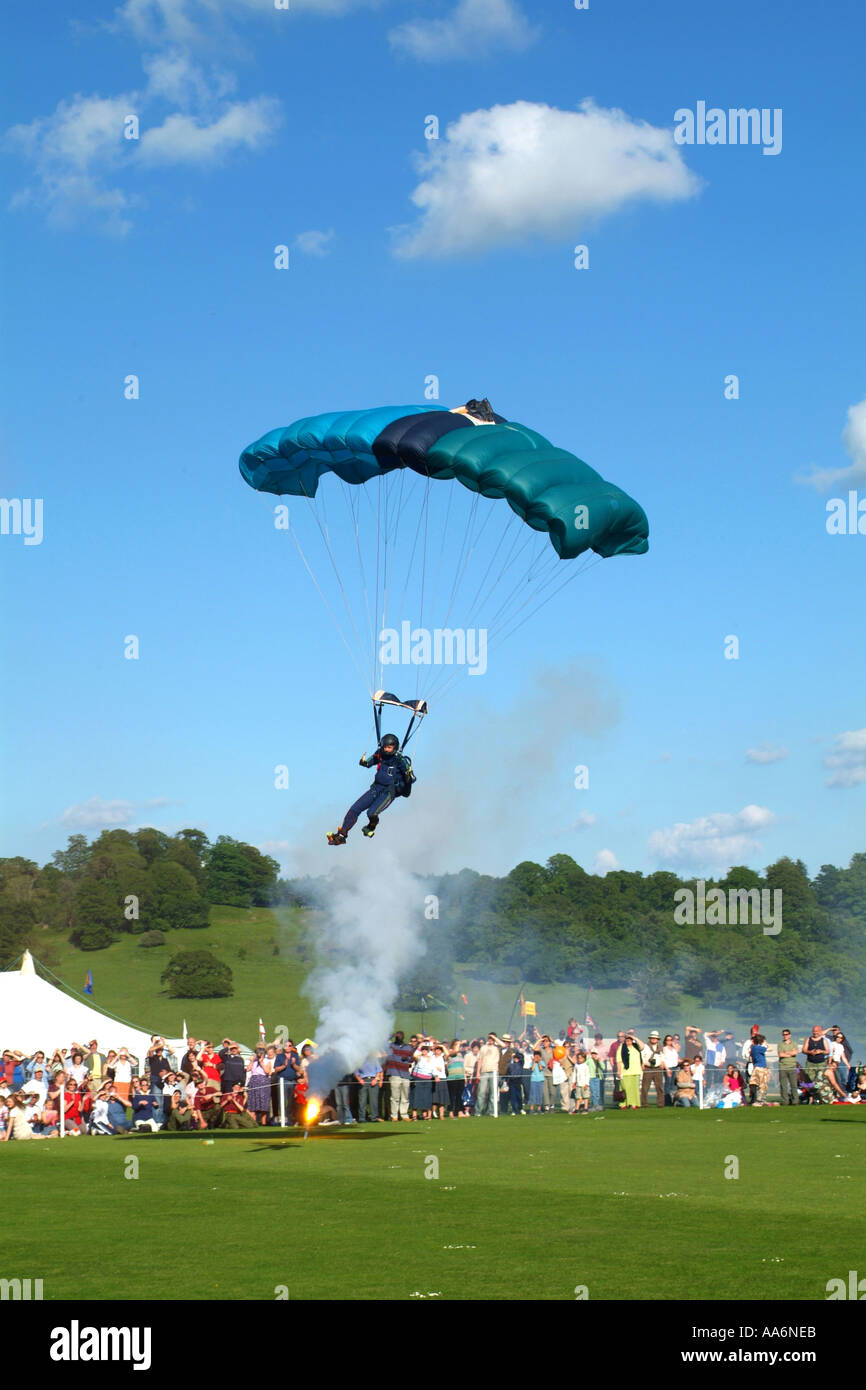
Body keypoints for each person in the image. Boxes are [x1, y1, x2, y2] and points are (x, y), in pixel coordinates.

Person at [327, 734, 413, 843]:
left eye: (389, 747)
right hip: (375, 788)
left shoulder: (399, 760)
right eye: (385, 747)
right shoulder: (380, 754)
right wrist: (364, 762)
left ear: (394, 747)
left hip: (388, 793)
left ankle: (371, 826)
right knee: (355, 809)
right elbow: (370, 761)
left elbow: (411, 778)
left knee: (371, 813)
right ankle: (342, 835)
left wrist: (408, 775)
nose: (386, 749)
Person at [386, 1031, 414, 1121]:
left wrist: (407, 1058)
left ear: (404, 1037)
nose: (399, 1037)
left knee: (405, 1096)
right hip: (394, 1073)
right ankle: (394, 1115)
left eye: (401, 1035)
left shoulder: (408, 1047)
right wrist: (392, 1035)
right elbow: (384, 1041)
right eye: (398, 1035)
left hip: (405, 1074)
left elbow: (412, 1058)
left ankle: (404, 1115)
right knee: (395, 1096)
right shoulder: (391, 1046)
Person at [639, 1031, 667, 1109]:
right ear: (650, 1038)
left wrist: (662, 1064)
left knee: (659, 1087)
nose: (654, 1039)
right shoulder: (645, 1046)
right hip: (648, 1068)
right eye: (652, 1038)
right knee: (645, 1087)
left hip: (658, 1068)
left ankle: (660, 1104)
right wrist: (642, 1064)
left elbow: (662, 1057)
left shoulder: (660, 1047)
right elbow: (641, 1056)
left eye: (655, 1038)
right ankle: (644, 1104)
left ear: (657, 1039)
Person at [617, 1031, 644, 1109]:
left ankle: (634, 1104)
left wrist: (634, 1038)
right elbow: (618, 1060)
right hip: (625, 1071)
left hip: (635, 1071)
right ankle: (623, 1104)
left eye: (630, 1040)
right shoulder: (621, 1048)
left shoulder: (636, 1047)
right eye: (627, 1040)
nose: (628, 1042)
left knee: (634, 1089)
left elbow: (642, 1046)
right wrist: (619, 1071)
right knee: (625, 1088)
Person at [246, 1047, 272, 1125]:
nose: (259, 1055)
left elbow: (267, 1072)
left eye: (260, 1054)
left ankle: (263, 1121)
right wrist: (252, 1061)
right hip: (254, 1081)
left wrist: (261, 1063)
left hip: (263, 1081)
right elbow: (248, 1069)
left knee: (263, 1101)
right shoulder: (254, 1061)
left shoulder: (267, 1061)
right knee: (253, 1101)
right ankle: (254, 1121)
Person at [778, 1029, 799, 1105]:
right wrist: (790, 1053)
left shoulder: (794, 1044)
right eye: (783, 1034)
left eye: (786, 1034)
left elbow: (796, 1052)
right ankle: (785, 1101)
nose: (785, 1036)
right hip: (782, 1067)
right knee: (783, 1086)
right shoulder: (780, 1044)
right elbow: (780, 1054)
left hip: (792, 1066)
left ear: (790, 1035)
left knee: (794, 1085)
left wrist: (786, 1053)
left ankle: (795, 1101)